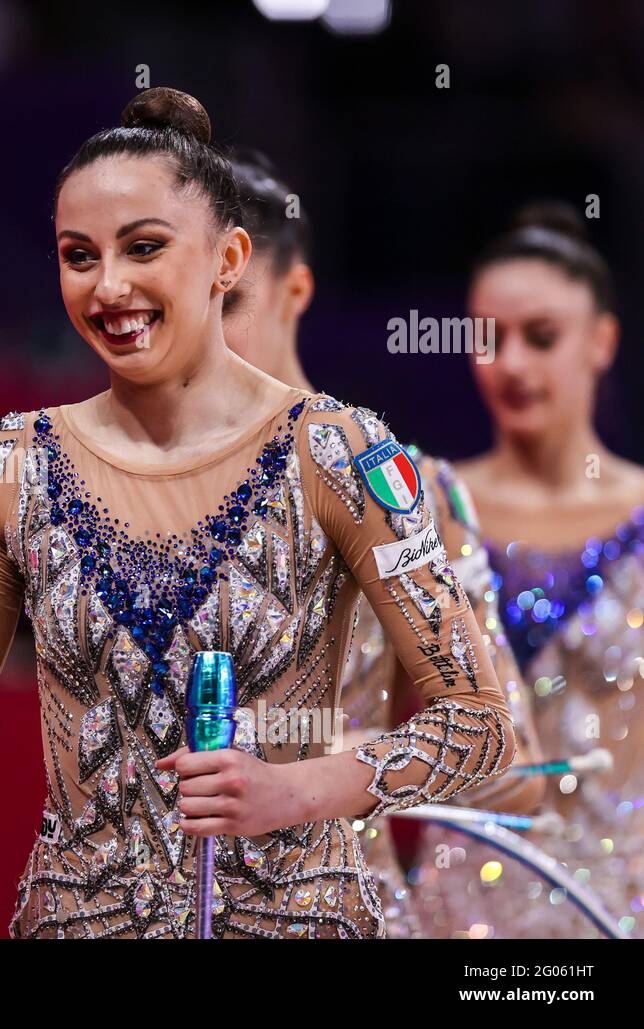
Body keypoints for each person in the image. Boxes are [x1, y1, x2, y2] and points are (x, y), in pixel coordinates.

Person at [0, 87, 516, 939]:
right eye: (78, 255)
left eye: (144, 247)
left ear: (228, 259)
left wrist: (297, 788)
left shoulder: (339, 452)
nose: (109, 286)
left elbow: (479, 721)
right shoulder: (8, 470)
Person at [222, 150, 545, 938]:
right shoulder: (111, 485)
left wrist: (316, 759)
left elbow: (518, 767)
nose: (198, 335)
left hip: (341, 911)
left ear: (295, 289)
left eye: (226, 301)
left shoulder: (403, 486)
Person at [405, 203, 644, 938]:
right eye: (489, 338)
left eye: (541, 338)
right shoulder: (426, 502)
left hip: (619, 897)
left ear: (602, 340)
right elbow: (367, 720)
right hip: (461, 903)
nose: (511, 364)